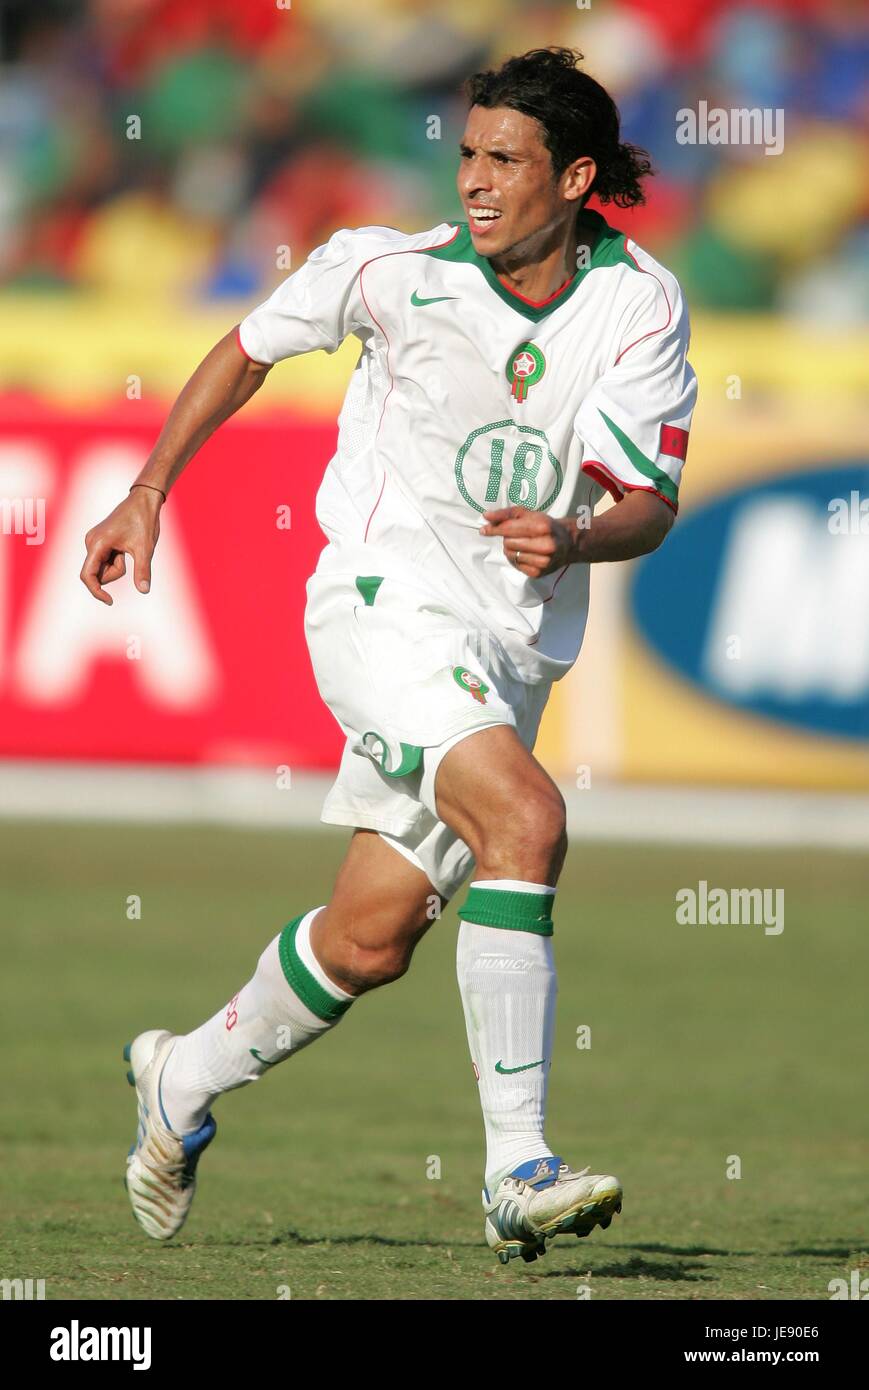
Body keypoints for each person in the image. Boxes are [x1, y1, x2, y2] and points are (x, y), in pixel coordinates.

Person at [81, 47, 696, 1265]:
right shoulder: (385, 268)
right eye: (465, 152)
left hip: (506, 651)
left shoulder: (638, 302)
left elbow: (650, 499)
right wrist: (147, 489)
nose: (472, 179)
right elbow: (249, 346)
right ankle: (516, 1166)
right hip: (377, 602)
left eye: (503, 160)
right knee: (526, 818)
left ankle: (180, 1077)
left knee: (370, 937)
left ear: (574, 178)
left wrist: (572, 532)